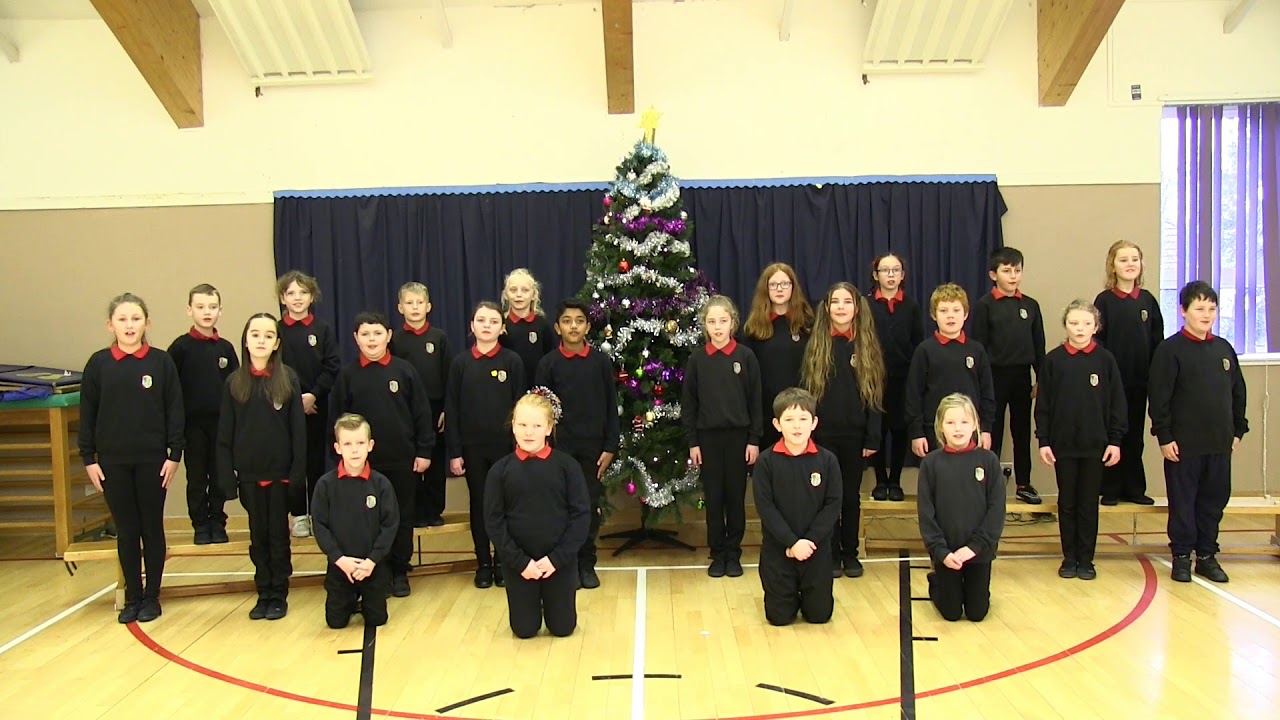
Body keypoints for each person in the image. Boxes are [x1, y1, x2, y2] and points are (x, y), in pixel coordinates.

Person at [79, 292, 183, 624]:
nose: (129, 325)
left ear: (147, 323)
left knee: (151, 527)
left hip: (153, 460)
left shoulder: (161, 362)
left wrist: (174, 454)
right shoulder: (98, 364)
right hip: (112, 462)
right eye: (122, 319)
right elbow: (88, 415)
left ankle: (152, 596)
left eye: (136, 318)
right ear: (111, 324)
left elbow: (174, 410)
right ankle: (132, 596)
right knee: (127, 529)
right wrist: (89, 459)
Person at [1148, 281, 1248, 583]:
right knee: (1183, 503)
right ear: (1183, 311)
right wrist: (1164, 436)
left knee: (1213, 501)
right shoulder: (1170, 350)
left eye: (1211, 309)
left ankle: (1206, 555)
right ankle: (1181, 556)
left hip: (1219, 443)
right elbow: (1159, 397)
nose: (1206, 314)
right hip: (1183, 445)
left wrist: (1237, 431)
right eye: (1199, 308)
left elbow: (1237, 392)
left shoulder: (1223, 349)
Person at [216, 313, 305, 619]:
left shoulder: (288, 379)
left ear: (277, 343)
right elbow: (225, 435)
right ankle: (263, 591)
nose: (261, 340)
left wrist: (296, 474)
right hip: (250, 478)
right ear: (245, 340)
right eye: (255, 334)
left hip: (280, 476)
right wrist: (227, 477)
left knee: (278, 536)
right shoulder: (234, 383)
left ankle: (279, 592)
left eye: (269, 335)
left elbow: (298, 433)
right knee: (259, 536)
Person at [484, 389, 591, 638]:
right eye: (522, 424)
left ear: (548, 428)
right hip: (519, 564)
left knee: (563, 628)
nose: (528, 432)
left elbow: (581, 515)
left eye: (536, 425)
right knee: (524, 630)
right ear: (513, 427)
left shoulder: (567, 467)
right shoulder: (500, 471)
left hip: (558, 562)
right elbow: (494, 521)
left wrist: (557, 559)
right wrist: (520, 562)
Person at [1034, 300, 1126, 581]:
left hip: (1095, 447)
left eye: (1086, 323)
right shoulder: (1053, 360)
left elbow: (1116, 404)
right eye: (1074, 323)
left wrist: (1115, 440)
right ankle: (1069, 557)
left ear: (1095, 326)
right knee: (1068, 502)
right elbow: (1044, 405)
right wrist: (1044, 441)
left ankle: (1086, 559)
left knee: (1088, 503)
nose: (1080, 328)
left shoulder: (1105, 360)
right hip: (1063, 446)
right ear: (1066, 326)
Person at [682, 295, 762, 578]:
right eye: (712, 321)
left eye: (723, 321)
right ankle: (717, 554)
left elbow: (755, 401)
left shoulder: (745, 357)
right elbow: (689, 405)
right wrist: (693, 442)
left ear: (733, 323)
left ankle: (733, 553)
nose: (718, 327)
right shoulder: (697, 360)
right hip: (708, 440)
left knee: (735, 498)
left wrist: (754, 439)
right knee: (714, 499)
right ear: (704, 325)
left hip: (739, 439)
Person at [751, 387, 842, 626]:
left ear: (814, 423)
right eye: (789, 420)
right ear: (777, 424)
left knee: (819, 616)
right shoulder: (766, 462)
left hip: (816, 550)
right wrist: (792, 543)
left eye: (803, 419)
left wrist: (807, 543)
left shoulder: (828, 460)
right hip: (779, 550)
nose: (797, 426)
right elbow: (766, 508)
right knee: (779, 618)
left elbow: (833, 505)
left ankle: (809, 594)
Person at [917, 393, 1005, 623]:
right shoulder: (931, 464)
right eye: (950, 422)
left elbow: (996, 511)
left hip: (978, 552)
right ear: (940, 426)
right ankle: (937, 581)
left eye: (964, 422)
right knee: (952, 613)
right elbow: (926, 514)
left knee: (977, 613)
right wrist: (941, 552)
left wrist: (975, 547)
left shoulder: (989, 461)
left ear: (975, 424)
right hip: (947, 553)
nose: (958, 429)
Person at [312, 414, 399, 629]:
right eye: (348, 444)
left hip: (372, 566)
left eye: (360, 443)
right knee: (335, 622)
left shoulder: (381, 485)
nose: (354, 450)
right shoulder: (325, 485)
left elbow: (390, 525)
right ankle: (349, 600)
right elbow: (320, 526)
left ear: (370, 446)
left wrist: (372, 561)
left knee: (377, 620)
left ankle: (367, 599)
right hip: (341, 566)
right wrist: (339, 559)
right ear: (337, 447)